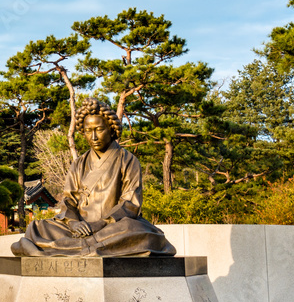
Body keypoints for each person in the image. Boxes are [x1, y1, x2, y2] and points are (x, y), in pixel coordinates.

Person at [11, 97, 176, 258]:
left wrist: (101, 223)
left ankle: (58, 248)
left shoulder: (127, 160)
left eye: (99, 129)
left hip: (111, 226)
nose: (94, 137)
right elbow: (68, 201)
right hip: (79, 227)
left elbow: (130, 203)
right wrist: (74, 222)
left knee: (138, 230)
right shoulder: (79, 164)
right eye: (89, 131)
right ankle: (85, 247)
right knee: (38, 227)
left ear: (111, 129)